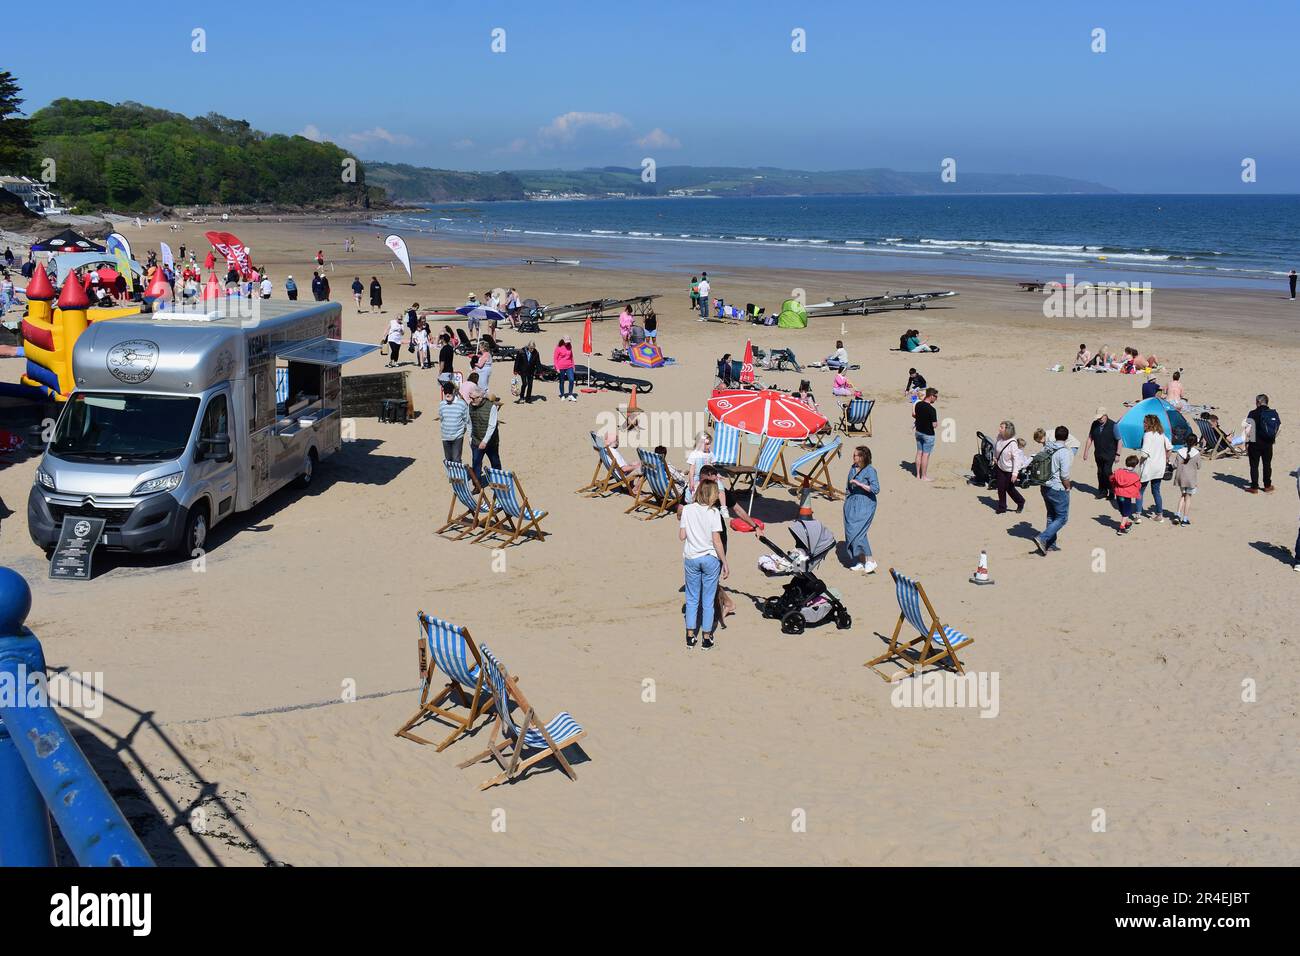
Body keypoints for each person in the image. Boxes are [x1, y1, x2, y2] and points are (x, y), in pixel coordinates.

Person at [679, 480, 728, 649]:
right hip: (710, 558)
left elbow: (682, 536)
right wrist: (725, 562)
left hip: (692, 557)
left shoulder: (687, 509)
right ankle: (706, 637)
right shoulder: (713, 512)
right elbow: (717, 541)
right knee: (707, 600)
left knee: (692, 599)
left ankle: (690, 636)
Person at [1033, 425, 1074, 555]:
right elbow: (1064, 475)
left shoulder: (1047, 446)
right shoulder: (1065, 452)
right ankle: (1042, 538)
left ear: (1055, 435)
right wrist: (1068, 487)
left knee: (1051, 515)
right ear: (1067, 437)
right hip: (1057, 488)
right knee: (1062, 518)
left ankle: (1050, 544)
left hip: (1044, 486)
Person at [844, 445, 880, 573]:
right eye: (853, 455)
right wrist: (847, 501)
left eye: (856, 455)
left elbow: (876, 489)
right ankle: (860, 560)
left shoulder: (870, 470)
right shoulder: (853, 468)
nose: (853, 457)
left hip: (865, 503)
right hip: (851, 503)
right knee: (850, 532)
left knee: (859, 532)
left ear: (862, 457)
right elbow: (848, 486)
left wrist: (859, 484)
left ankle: (870, 560)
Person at [1137, 414, 1173, 520]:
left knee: (1140, 491)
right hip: (1159, 467)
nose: (1143, 424)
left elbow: (1144, 454)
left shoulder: (1147, 435)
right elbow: (1170, 448)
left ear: (1149, 424)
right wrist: (1166, 459)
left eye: (1144, 422)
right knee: (1156, 491)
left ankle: (1138, 514)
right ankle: (1159, 514)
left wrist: (1139, 462)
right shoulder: (1161, 434)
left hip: (1148, 467)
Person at [1245, 393, 1281, 493]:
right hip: (1268, 443)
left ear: (1258, 402)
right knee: (1267, 464)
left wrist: (1247, 442)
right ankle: (1267, 486)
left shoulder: (1252, 413)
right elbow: (1279, 428)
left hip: (1255, 443)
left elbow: (1248, 430)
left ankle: (1254, 487)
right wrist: (1272, 438)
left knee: (1254, 466)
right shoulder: (1273, 413)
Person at [1082, 407, 1119, 501]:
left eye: (1101, 417)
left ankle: (1112, 491)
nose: (1099, 419)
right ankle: (1102, 491)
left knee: (1107, 472)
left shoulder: (1113, 425)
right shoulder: (1095, 424)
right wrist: (1086, 451)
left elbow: (1119, 440)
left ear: (1105, 416)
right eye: (1098, 418)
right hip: (1098, 453)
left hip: (1110, 453)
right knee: (1100, 472)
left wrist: (1118, 454)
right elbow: (1090, 438)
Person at [467, 386, 502, 482]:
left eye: (473, 398)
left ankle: (498, 481)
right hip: (476, 439)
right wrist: (470, 438)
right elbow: (469, 422)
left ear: (480, 397)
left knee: (495, 462)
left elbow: (492, 426)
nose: (471, 400)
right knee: (476, 463)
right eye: (471, 398)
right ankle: (477, 485)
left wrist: (485, 441)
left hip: (491, 441)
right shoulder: (470, 406)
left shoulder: (492, 407)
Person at [993, 421, 1025, 514]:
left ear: (1007, 430)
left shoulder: (1012, 443)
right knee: (1000, 488)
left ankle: (1020, 502)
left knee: (1009, 489)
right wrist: (995, 457)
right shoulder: (999, 436)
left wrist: (1015, 474)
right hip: (1000, 467)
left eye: (1001, 427)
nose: (999, 429)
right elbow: (996, 448)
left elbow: (1016, 459)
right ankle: (1002, 507)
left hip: (1010, 470)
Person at [1110, 455, 1143, 534]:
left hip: (1119, 495)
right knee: (1127, 511)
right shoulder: (1134, 476)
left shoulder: (1118, 472)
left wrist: (1114, 486)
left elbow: (1111, 478)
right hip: (1127, 496)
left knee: (1122, 508)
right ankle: (1121, 527)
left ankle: (1126, 523)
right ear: (1135, 465)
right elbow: (1138, 486)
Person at [1171, 439, 1200, 526]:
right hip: (1191, 479)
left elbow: (1175, 465)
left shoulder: (1180, 452)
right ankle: (1185, 519)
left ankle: (1177, 515)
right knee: (1188, 498)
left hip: (1181, 478)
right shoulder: (1197, 453)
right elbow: (1199, 466)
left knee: (1183, 496)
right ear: (1195, 443)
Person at [438, 382, 469, 462]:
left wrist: (462, 432)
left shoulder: (462, 404)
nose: (447, 394)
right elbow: (441, 419)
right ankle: (451, 474)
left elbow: (466, 420)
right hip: (445, 437)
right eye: (445, 392)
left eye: (449, 392)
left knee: (456, 459)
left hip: (457, 437)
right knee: (448, 459)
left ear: (454, 391)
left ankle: (457, 474)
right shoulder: (442, 404)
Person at [912, 387, 938, 481]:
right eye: (935, 396)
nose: (936, 398)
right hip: (928, 434)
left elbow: (914, 415)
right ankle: (924, 476)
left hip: (918, 432)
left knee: (919, 452)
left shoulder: (918, 404)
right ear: (931, 396)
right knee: (925, 455)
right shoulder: (932, 410)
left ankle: (918, 475)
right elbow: (934, 425)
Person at [685, 432, 713, 502]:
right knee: (693, 491)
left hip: (708, 476)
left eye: (709, 444)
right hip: (697, 477)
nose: (709, 446)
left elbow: (712, 467)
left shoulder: (710, 453)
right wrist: (691, 482)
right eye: (707, 444)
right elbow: (691, 471)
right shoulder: (694, 454)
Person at [553, 335, 576, 402]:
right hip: (560, 367)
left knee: (571, 380)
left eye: (568, 342)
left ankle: (570, 395)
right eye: (566, 342)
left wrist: (573, 366)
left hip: (569, 366)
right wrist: (557, 368)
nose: (567, 343)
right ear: (563, 340)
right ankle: (562, 395)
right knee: (562, 381)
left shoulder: (570, 346)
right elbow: (555, 358)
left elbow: (571, 357)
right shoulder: (558, 347)